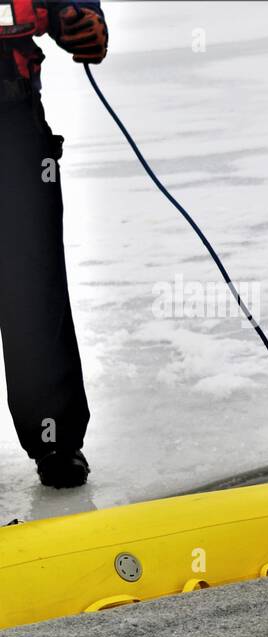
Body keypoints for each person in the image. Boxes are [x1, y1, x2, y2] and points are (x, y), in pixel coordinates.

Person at [0, 1, 108, 488]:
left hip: (12, 115)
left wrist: (78, 15)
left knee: (31, 282)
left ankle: (56, 443)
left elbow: (74, 8)